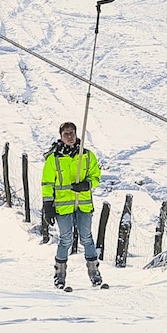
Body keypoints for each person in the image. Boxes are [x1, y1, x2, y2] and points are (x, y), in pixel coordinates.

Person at [42, 122, 104, 290]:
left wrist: (87, 185)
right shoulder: (53, 158)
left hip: (83, 204)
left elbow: (96, 176)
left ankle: (95, 274)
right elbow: (47, 183)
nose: (70, 137)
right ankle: (59, 276)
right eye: (66, 134)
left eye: (72, 133)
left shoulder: (87, 155)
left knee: (87, 238)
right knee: (66, 239)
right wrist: (47, 205)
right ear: (61, 136)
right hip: (63, 206)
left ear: (76, 134)